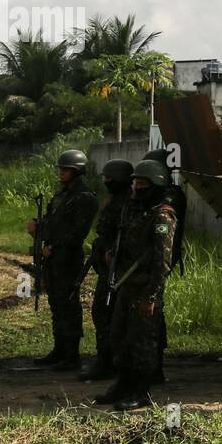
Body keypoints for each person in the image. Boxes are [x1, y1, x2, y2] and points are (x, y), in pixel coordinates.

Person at [96, 159, 177, 411]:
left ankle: (141, 391)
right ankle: (123, 383)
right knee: (119, 336)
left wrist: (151, 296)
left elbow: (162, 261)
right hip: (125, 284)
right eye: (135, 184)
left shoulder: (162, 216)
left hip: (144, 288)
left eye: (143, 185)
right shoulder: (133, 210)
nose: (137, 189)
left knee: (142, 341)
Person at [27, 149, 98, 371]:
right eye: (60, 168)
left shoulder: (84, 197)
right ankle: (60, 350)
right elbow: (53, 222)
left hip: (67, 258)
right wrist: (39, 228)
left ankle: (71, 355)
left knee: (69, 304)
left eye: (65, 169)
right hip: (53, 258)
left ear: (77, 171)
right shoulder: (62, 195)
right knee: (56, 304)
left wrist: (53, 247)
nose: (61, 172)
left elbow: (77, 232)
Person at [81, 158, 133, 382]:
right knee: (102, 313)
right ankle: (108, 360)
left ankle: (108, 362)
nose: (106, 182)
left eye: (110, 179)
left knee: (105, 313)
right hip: (107, 266)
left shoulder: (127, 204)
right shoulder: (115, 201)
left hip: (117, 269)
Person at [141, 148, 186, 385]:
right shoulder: (162, 195)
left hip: (159, 258)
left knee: (152, 315)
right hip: (152, 259)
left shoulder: (169, 198)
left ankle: (153, 369)